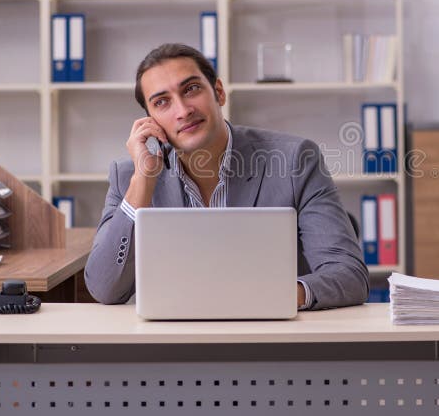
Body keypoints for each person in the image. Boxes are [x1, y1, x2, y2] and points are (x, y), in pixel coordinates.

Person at [84, 43, 369, 309]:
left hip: (271, 340)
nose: (183, 111)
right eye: (162, 102)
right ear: (150, 122)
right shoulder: (129, 178)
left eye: (192, 89)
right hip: (173, 343)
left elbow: (349, 275)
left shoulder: (295, 161)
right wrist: (142, 184)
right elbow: (104, 288)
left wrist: (265, 298)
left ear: (218, 92)